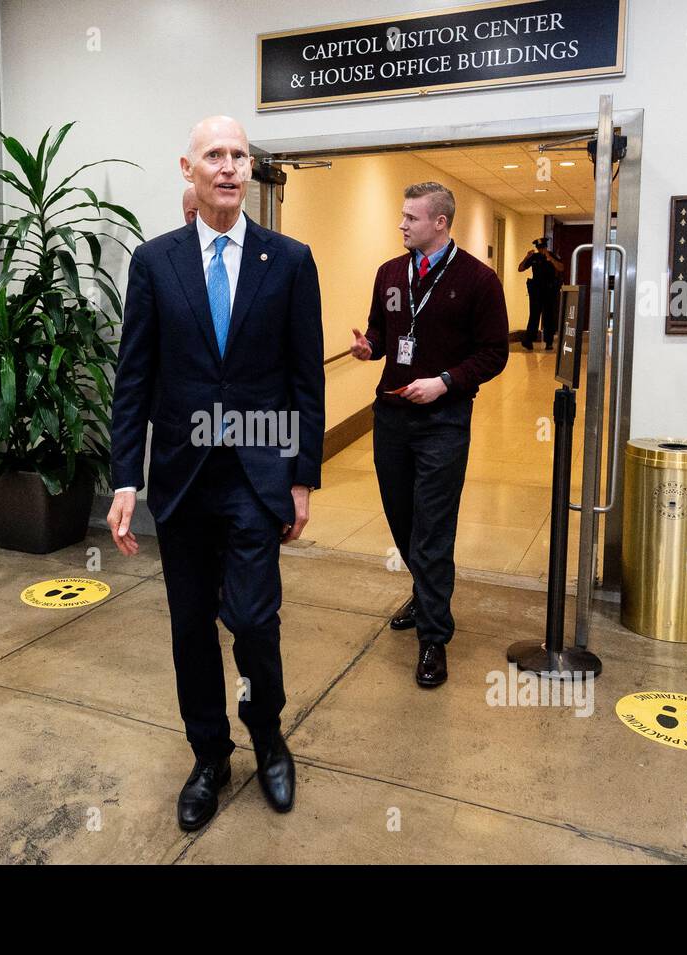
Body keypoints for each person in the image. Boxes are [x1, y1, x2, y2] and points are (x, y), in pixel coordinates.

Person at [108, 115, 324, 831]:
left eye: (239, 155)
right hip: (182, 479)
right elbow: (133, 379)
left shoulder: (289, 261)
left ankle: (267, 735)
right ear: (188, 169)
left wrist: (301, 479)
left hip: (258, 477)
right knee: (190, 626)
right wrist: (124, 478)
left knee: (256, 622)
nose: (229, 166)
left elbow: (304, 381)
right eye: (214, 155)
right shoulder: (155, 262)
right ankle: (209, 753)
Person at [350, 182, 508, 687]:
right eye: (401, 217)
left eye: (410, 218)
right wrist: (368, 347)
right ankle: (423, 595)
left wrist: (444, 383)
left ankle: (434, 638)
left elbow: (493, 353)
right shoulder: (390, 273)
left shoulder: (478, 280)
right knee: (402, 517)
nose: (401, 225)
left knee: (434, 527)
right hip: (392, 415)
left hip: (443, 420)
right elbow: (382, 332)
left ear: (440, 222)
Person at [518, 237, 563, 350]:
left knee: (549, 315)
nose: (540, 249)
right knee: (534, 315)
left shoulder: (552, 256)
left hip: (549, 290)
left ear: (546, 247)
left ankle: (549, 342)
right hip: (536, 290)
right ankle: (529, 340)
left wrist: (550, 258)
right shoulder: (534, 257)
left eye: (542, 247)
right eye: (538, 247)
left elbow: (561, 268)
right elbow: (521, 268)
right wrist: (526, 257)